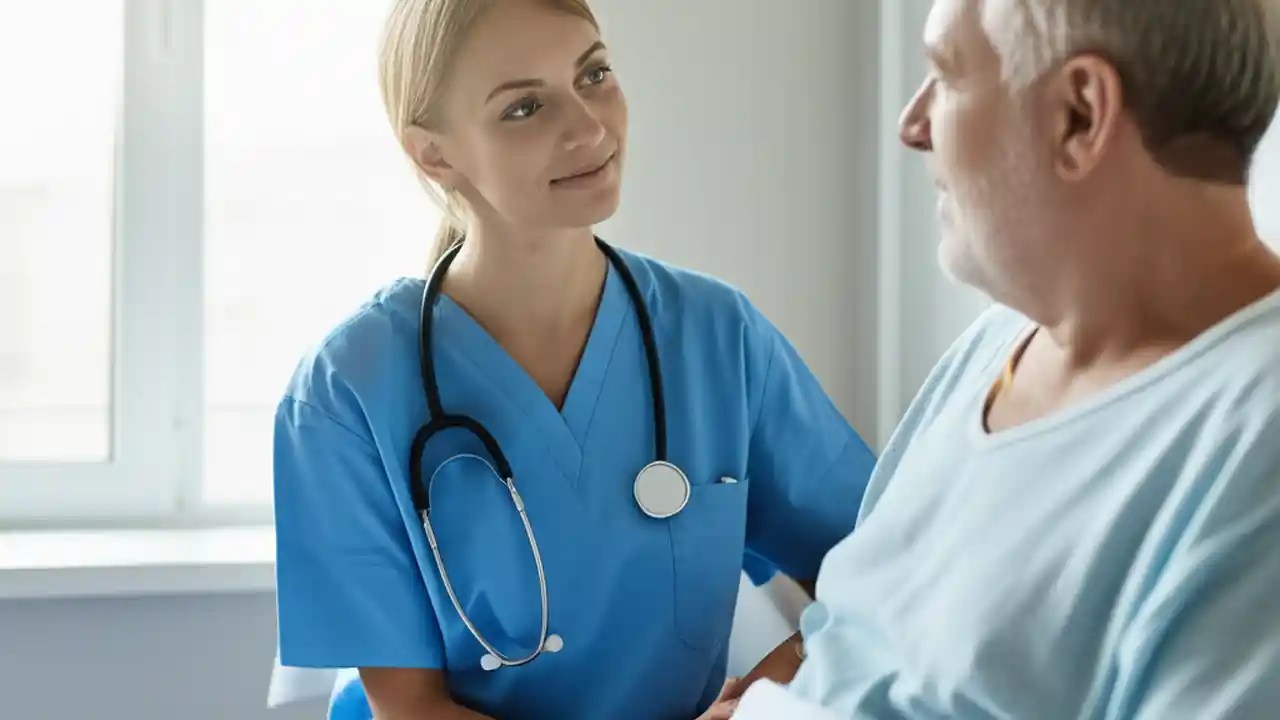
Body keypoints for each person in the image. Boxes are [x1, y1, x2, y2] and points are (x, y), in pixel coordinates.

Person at [270, 0, 876, 718]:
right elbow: (410, 708)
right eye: (525, 107)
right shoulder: (346, 393)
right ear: (434, 153)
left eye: (594, 73)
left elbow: (881, 573)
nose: (589, 127)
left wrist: (756, 703)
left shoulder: (720, 340)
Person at [723, 0, 1280, 717]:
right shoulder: (994, 347)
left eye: (946, 75)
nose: (913, 124)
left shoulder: (1253, 438)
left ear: (1078, 116)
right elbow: (854, 637)